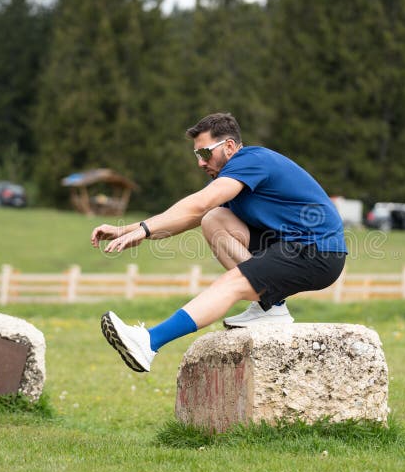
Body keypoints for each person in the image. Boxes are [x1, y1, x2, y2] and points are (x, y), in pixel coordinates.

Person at [90, 112, 347, 372]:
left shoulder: (250, 161)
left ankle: (149, 342)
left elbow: (199, 202)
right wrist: (129, 230)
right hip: (286, 243)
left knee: (232, 282)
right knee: (214, 219)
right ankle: (270, 307)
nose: (201, 163)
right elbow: (195, 215)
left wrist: (145, 229)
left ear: (230, 147)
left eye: (204, 154)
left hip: (317, 250)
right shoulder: (234, 177)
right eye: (196, 156)